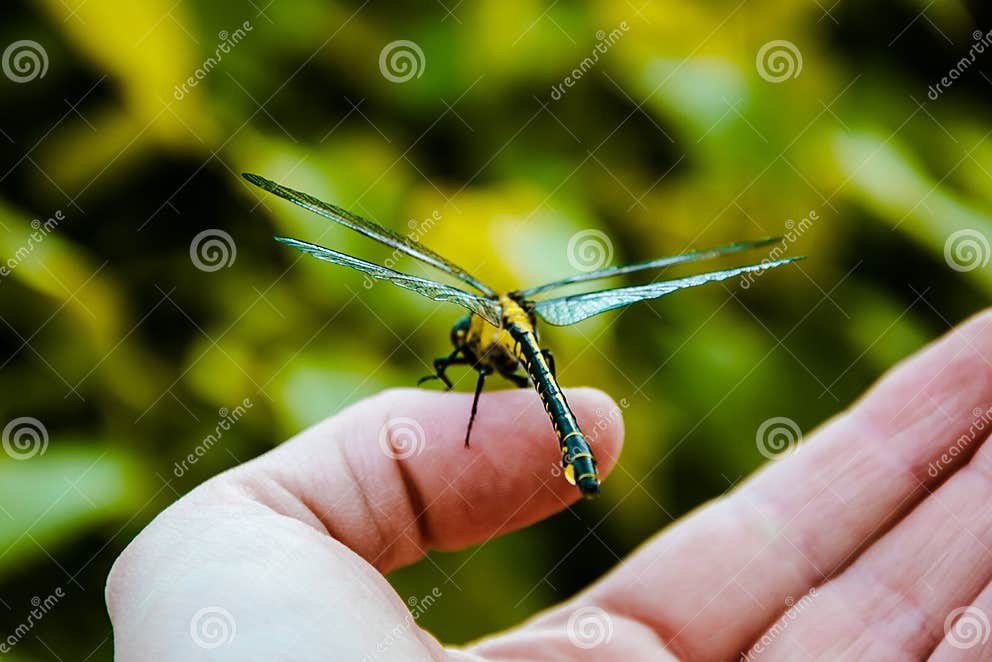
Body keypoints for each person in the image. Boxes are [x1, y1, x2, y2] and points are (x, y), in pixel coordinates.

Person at [106, 309, 992, 660]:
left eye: (473, 337)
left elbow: (471, 368)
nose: (468, 342)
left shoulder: (485, 349)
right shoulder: (517, 330)